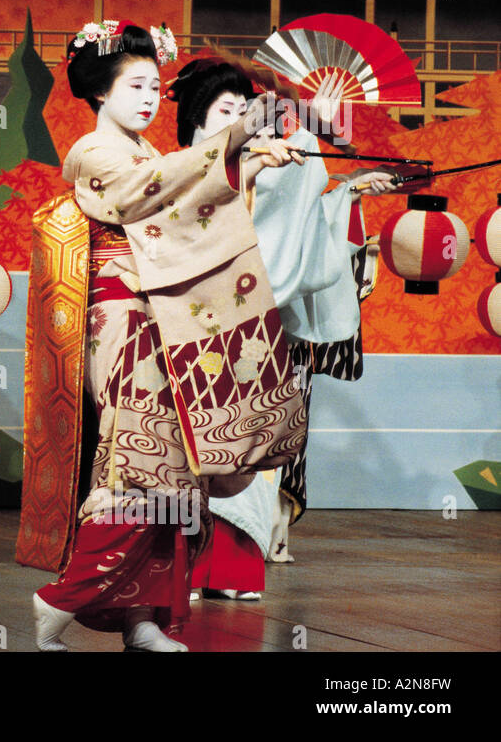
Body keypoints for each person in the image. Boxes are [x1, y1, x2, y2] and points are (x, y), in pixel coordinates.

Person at [20, 21, 307, 652]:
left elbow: (189, 200)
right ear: (101, 92)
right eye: (137, 84)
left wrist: (250, 164)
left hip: (164, 321)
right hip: (123, 323)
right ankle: (56, 602)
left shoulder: (152, 155)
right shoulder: (95, 156)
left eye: (156, 85)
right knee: (140, 469)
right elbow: (154, 195)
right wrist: (234, 140)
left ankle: (142, 618)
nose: (151, 97)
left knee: (178, 479)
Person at [169, 61, 398, 590]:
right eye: (224, 111)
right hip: (193, 330)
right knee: (193, 455)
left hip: (257, 333)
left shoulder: (268, 166)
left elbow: (299, 227)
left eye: (242, 111)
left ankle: (231, 569)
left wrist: (348, 191)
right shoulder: (181, 170)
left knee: (249, 448)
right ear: (197, 123)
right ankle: (182, 572)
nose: (239, 121)